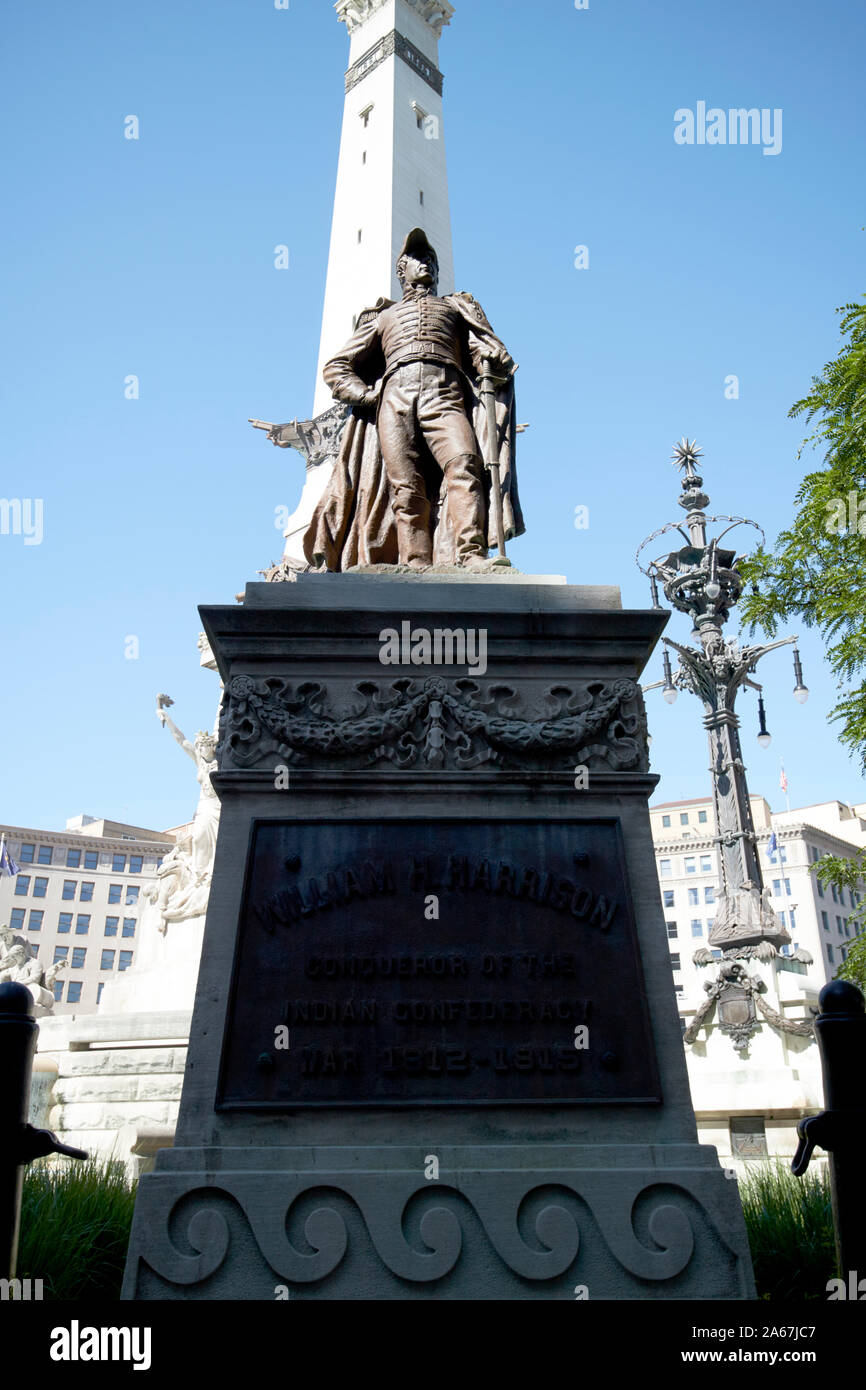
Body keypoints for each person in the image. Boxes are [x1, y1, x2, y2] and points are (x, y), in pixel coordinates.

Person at [304, 228, 524, 571]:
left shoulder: (457, 309)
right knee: (406, 485)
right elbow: (337, 367)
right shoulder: (382, 317)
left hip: (445, 392)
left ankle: (471, 555)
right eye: (416, 259)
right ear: (401, 271)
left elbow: (487, 356)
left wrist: (489, 358)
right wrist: (366, 394)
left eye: (430, 260)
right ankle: (415, 561)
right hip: (395, 397)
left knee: (464, 463)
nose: (426, 264)